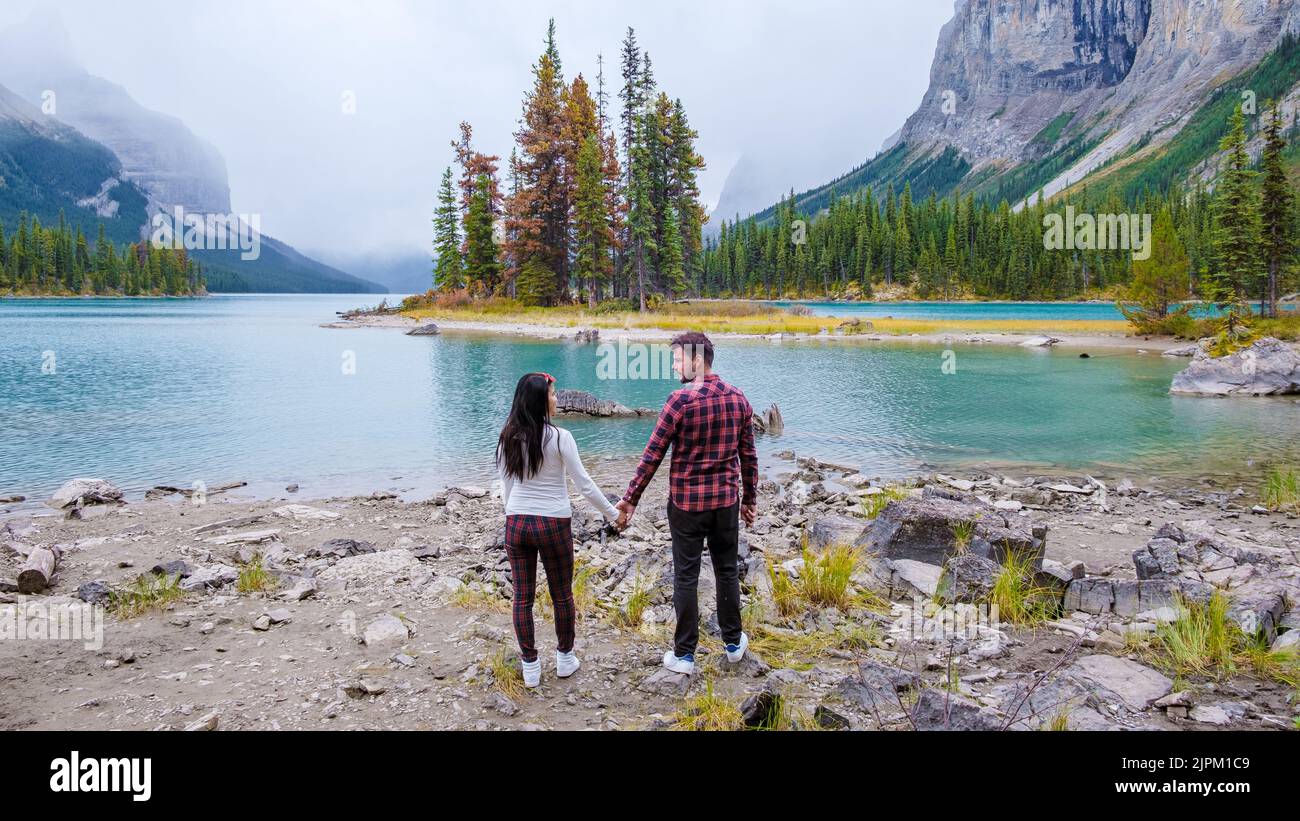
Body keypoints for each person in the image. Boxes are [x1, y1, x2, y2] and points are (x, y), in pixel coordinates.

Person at [615, 332, 758, 674]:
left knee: (686, 576)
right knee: (726, 572)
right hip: (725, 502)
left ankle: (684, 656)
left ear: (697, 360)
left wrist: (631, 499)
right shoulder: (738, 399)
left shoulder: (679, 401)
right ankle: (734, 643)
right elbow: (749, 457)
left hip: (687, 505)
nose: (675, 366)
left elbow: (653, 455)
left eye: (678, 359)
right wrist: (749, 500)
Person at [496, 372, 620, 688]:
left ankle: (531, 667)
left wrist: (512, 515)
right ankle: (565, 658)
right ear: (540, 401)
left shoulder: (507, 436)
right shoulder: (561, 437)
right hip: (553, 523)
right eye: (552, 394)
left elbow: (506, 486)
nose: (556, 399)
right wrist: (613, 513)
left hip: (518, 523)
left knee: (522, 598)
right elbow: (585, 486)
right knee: (561, 594)